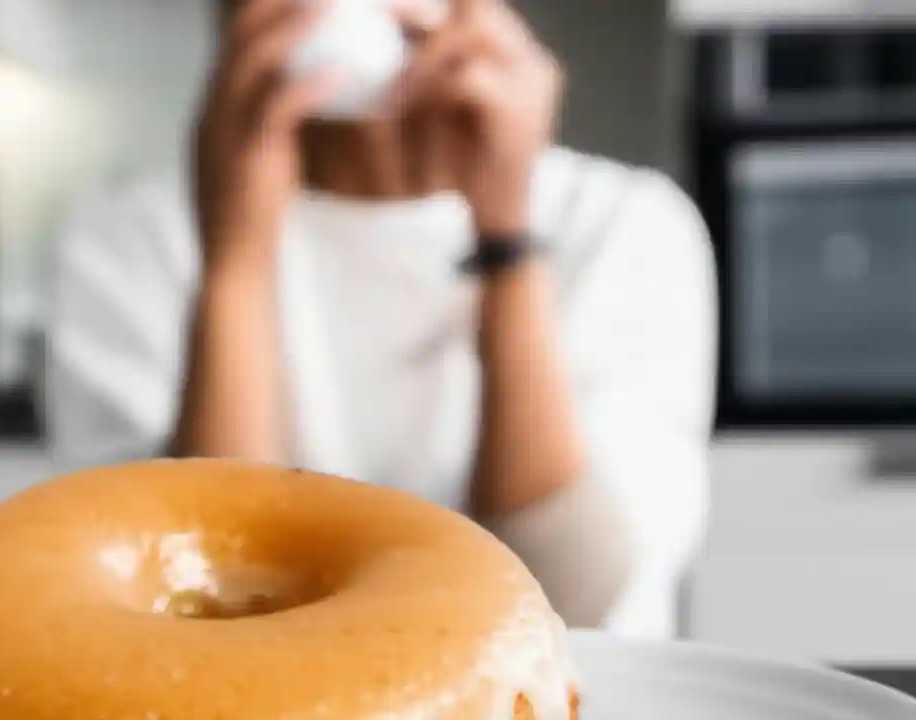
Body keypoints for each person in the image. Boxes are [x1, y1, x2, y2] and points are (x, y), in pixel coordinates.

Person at [48, 0, 716, 639]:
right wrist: (235, 266)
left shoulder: (625, 222)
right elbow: (197, 606)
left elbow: (569, 599)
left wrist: (506, 238)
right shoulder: (128, 240)